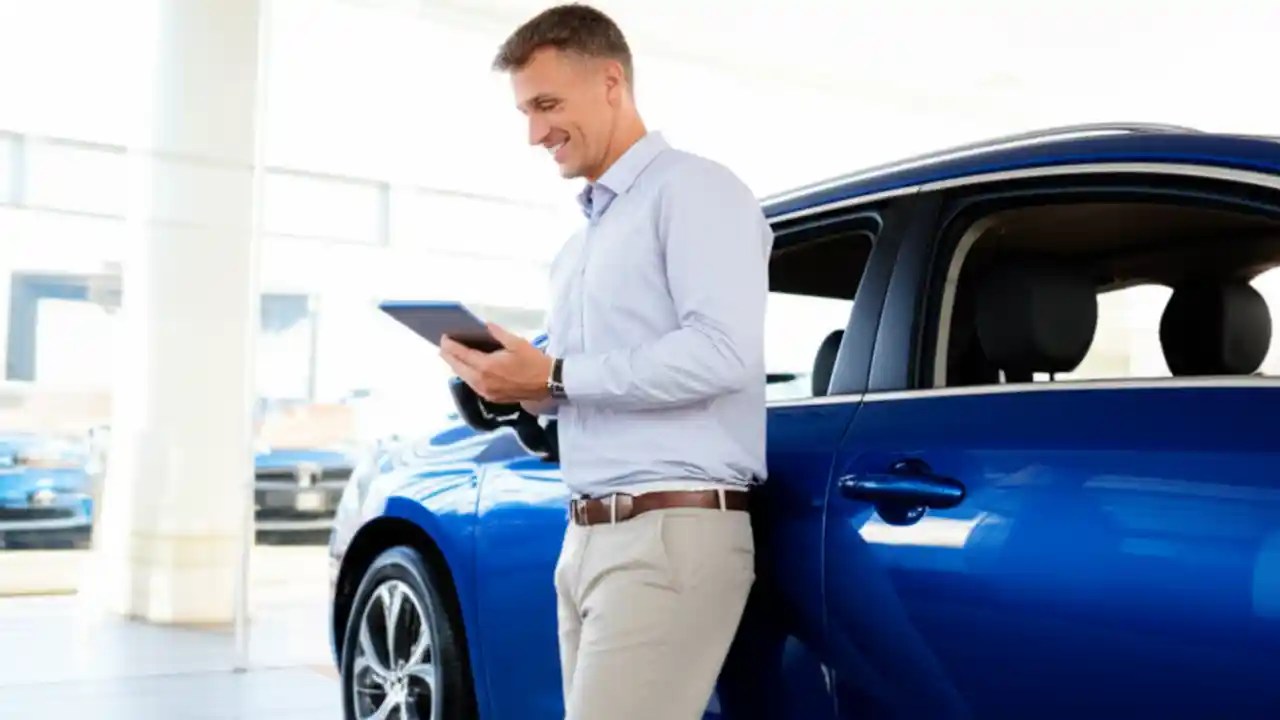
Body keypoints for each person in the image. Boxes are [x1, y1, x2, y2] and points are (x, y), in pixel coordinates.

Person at [438, 4, 773, 718]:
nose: (535, 133)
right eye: (525, 111)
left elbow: (723, 352)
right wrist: (520, 383)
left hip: (667, 530)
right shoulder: (579, 248)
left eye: (548, 105)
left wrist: (555, 375)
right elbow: (583, 385)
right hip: (588, 535)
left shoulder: (695, 189)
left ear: (612, 82)